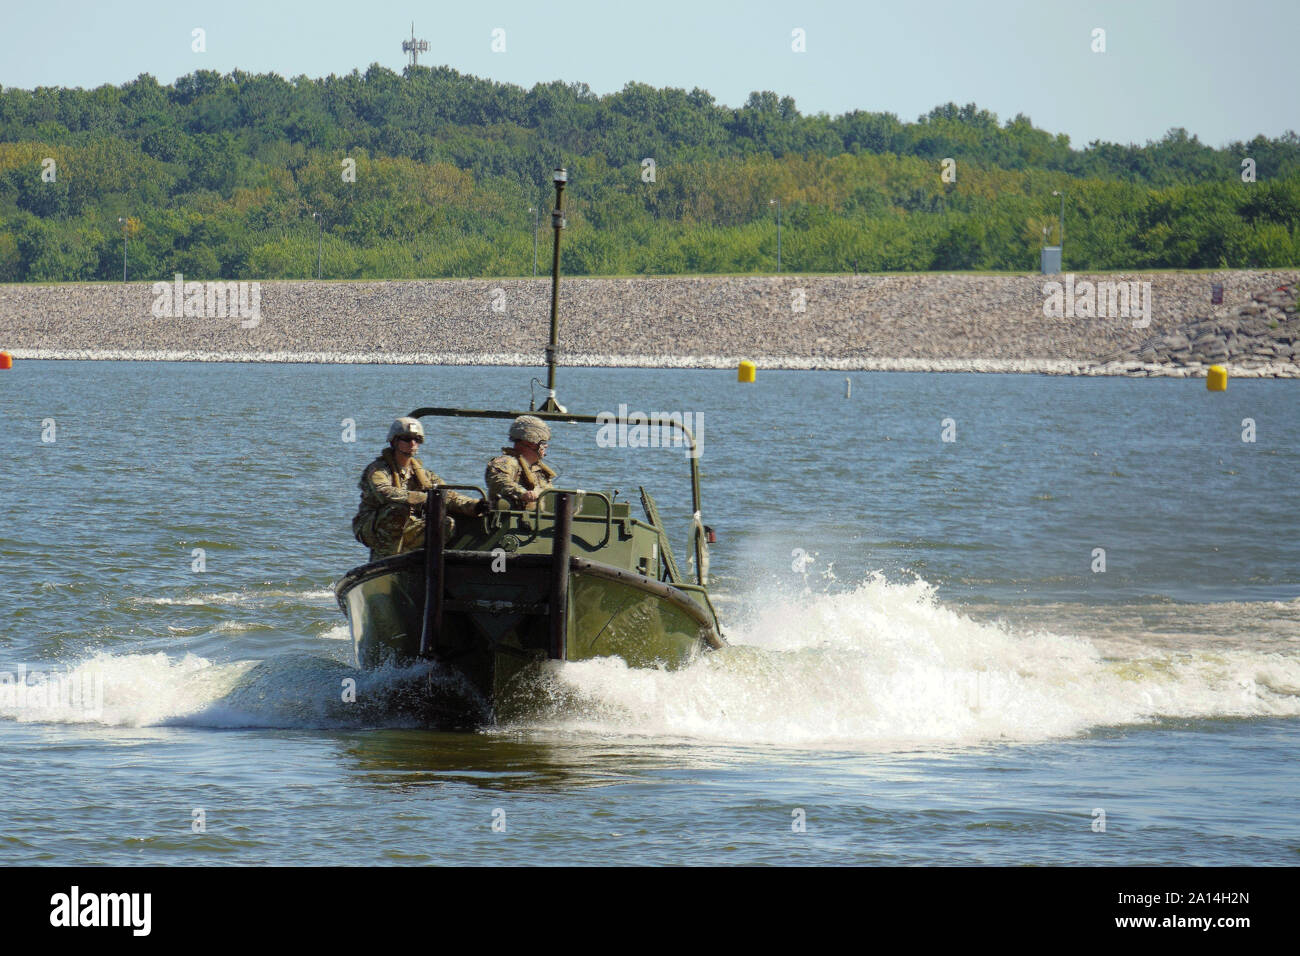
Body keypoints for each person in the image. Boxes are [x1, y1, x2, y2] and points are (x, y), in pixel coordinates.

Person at [353, 417, 488, 561]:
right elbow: (384, 493)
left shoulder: (422, 474)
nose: (412, 443)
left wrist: (474, 505)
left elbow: (446, 494)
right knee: (397, 510)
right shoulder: (378, 470)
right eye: (406, 439)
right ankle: (385, 562)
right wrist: (423, 498)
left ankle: (417, 561)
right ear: (394, 441)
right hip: (373, 526)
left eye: (416, 440)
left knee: (447, 523)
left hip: (408, 525)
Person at [485, 415, 557, 508]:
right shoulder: (506, 462)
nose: (546, 446)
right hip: (512, 519)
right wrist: (523, 493)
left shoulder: (538, 470)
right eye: (543, 443)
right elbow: (499, 482)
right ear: (530, 443)